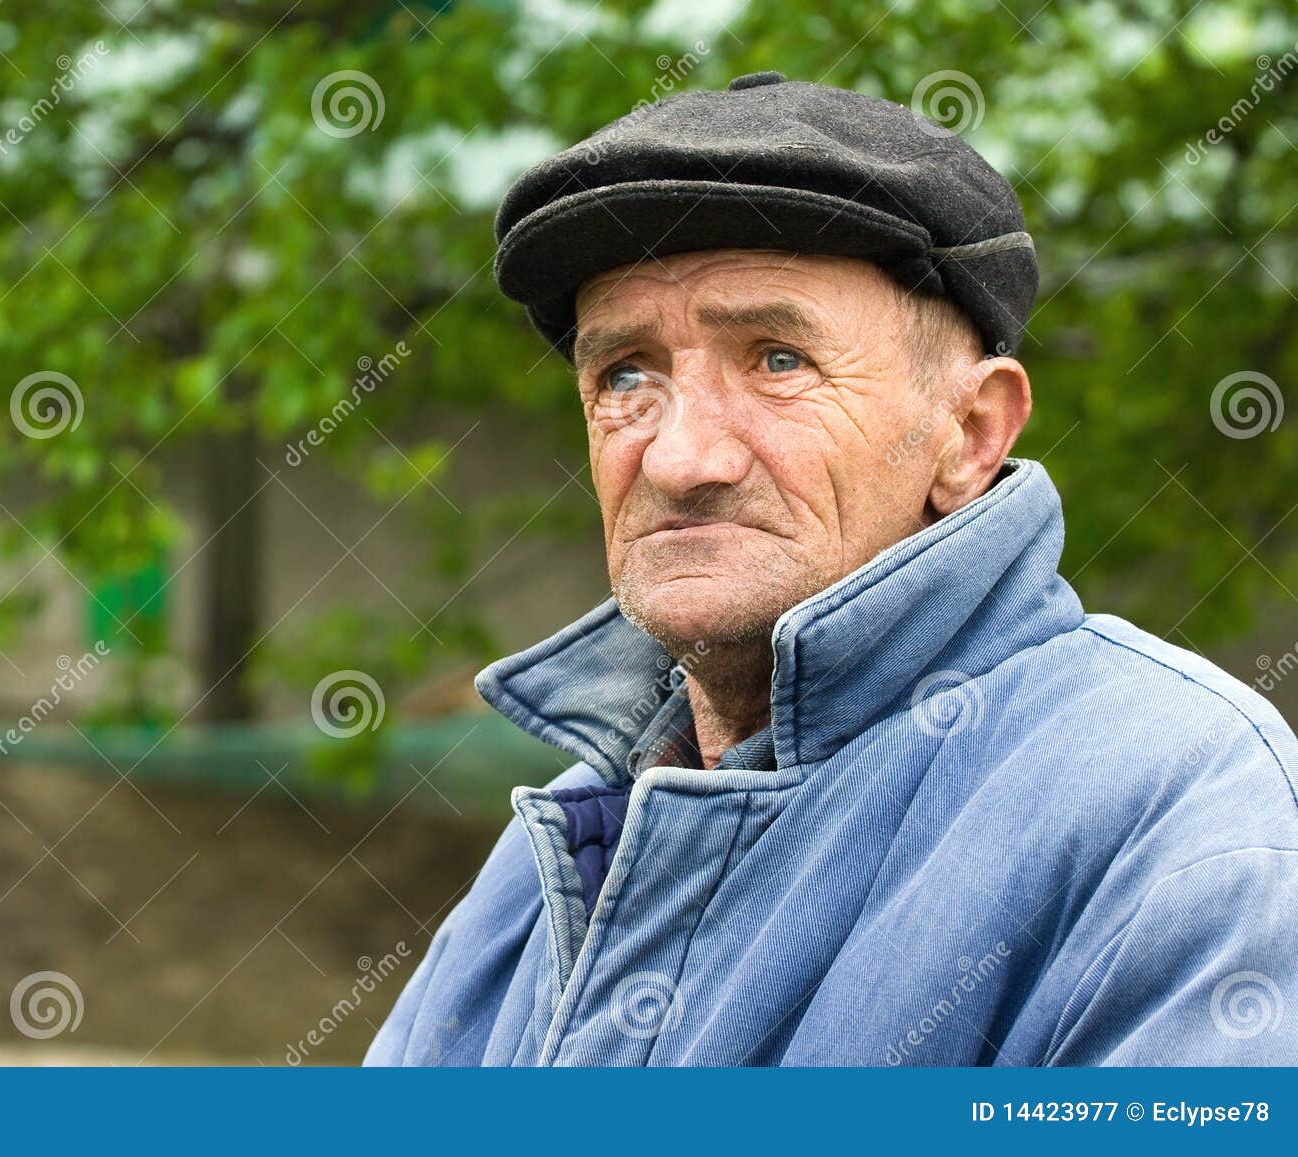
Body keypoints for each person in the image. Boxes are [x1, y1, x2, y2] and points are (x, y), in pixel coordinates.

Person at [364, 72, 1298, 1066]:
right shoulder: (547, 858)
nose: (682, 457)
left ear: (969, 432)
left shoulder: (1173, 803)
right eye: (625, 376)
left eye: (776, 361)